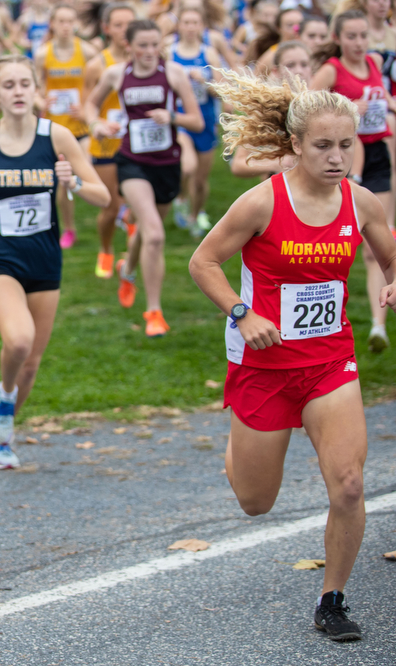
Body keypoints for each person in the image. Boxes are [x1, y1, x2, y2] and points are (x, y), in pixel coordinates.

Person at [190, 69, 396, 642]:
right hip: (264, 365)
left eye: (346, 145)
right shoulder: (260, 203)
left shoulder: (362, 203)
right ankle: (238, 453)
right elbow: (203, 264)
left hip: (330, 363)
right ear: (297, 145)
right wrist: (242, 313)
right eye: (324, 146)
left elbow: (389, 254)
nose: (337, 158)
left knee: (350, 484)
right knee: (256, 502)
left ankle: (333, 600)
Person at [0, 54, 109, 469]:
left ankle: (3, 435)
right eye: (9, 85)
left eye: (24, 84)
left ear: (38, 91)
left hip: (45, 257)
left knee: (31, 361)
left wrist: (74, 183)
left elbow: (102, 196)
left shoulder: (57, 137)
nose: (18, 92)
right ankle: (4, 399)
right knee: (17, 339)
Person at [85, 19, 203, 336]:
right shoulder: (117, 74)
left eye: (155, 45)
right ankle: (154, 312)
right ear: (130, 46)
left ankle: (129, 268)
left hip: (167, 164)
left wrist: (172, 117)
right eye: (143, 45)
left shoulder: (173, 74)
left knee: (149, 232)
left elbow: (197, 122)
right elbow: (90, 105)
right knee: (154, 234)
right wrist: (95, 123)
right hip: (131, 162)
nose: (150, 52)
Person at [312, 10, 396, 352]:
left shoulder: (375, 63)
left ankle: (379, 325)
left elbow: (382, 101)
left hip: (378, 156)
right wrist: (347, 108)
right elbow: (307, 107)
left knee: (381, 240)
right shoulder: (332, 69)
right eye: (352, 36)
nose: (359, 43)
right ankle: (324, 314)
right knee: (334, 242)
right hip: (342, 159)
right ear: (338, 38)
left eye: (363, 35)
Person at [35, 4, 97, 251]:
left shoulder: (88, 52)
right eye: (60, 21)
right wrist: (42, 100)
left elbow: (100, 85)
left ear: (76, 24)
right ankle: (69, 228)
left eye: (70, 21)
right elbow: (36, 87)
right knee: (62, 182)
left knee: (88, 171)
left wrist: (86, 106)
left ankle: (116, 208)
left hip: (80, 127)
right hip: (53, 129)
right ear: (52, 24)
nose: (65, 26)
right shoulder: (43, 54)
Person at [82, 2, 135, 280]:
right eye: (118, 25)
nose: (125, 30)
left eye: (130, 24)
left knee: (137, 205)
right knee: (111, 205)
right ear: (107, 29)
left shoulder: (146, 59)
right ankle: (105, 248)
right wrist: (98, 124)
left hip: (137, 145)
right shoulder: (97, 65)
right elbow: (86, 106)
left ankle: (132, 254)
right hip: (106, 145)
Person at [169, 6, 223, 237]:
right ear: (179, 26)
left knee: (200, 180)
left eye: (195, 23)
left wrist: (204, 81)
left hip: (205, 121)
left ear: (202, 27)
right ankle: (180, 197)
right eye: (186, 22)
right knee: (187, 166)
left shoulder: (208, 54)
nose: (190, 27)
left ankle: (195, 214)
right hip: (180, 120)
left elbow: (222, 91)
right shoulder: (169, 52)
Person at [229, 41, 309, 178]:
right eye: (290, 65)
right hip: (279, 189)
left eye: (304, 64)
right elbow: (238, 165)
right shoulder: (267, 110)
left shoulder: (322, 104)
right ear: (276, 71)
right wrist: (276, 163)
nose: (299, 70)